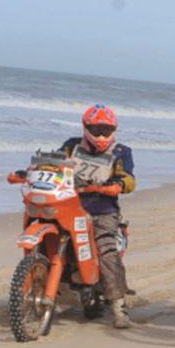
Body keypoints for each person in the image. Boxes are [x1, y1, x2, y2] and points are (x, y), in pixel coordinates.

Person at [53, 105, 137, 327]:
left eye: (106, 130)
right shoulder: (71, 146)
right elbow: (53, 164)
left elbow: (128, 178)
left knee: (107, 251)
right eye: (96, 129)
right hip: (69, 206)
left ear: (114, 130)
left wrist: (118, 184)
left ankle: (119, 305)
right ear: (86, 127)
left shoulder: (121, 151)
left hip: (103, 210)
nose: (101, 135)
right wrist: (30, 171)